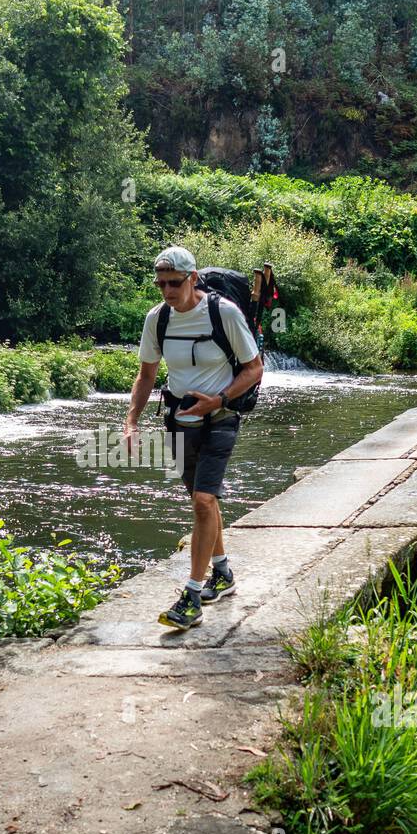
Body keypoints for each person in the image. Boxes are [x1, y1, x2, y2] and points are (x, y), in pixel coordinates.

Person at [124, 246, 262, 631]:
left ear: (193, 278)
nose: (167, 290)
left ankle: (191, 596)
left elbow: (254, 369)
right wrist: (131, 421)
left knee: (203, 500)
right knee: (202, 497)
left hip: (221, 414)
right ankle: (223, 574)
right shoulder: (158, 319)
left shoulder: (224, 314)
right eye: (161, 284)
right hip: (180, 419)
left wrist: (218, 400)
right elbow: (146, 375)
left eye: (174, 282)